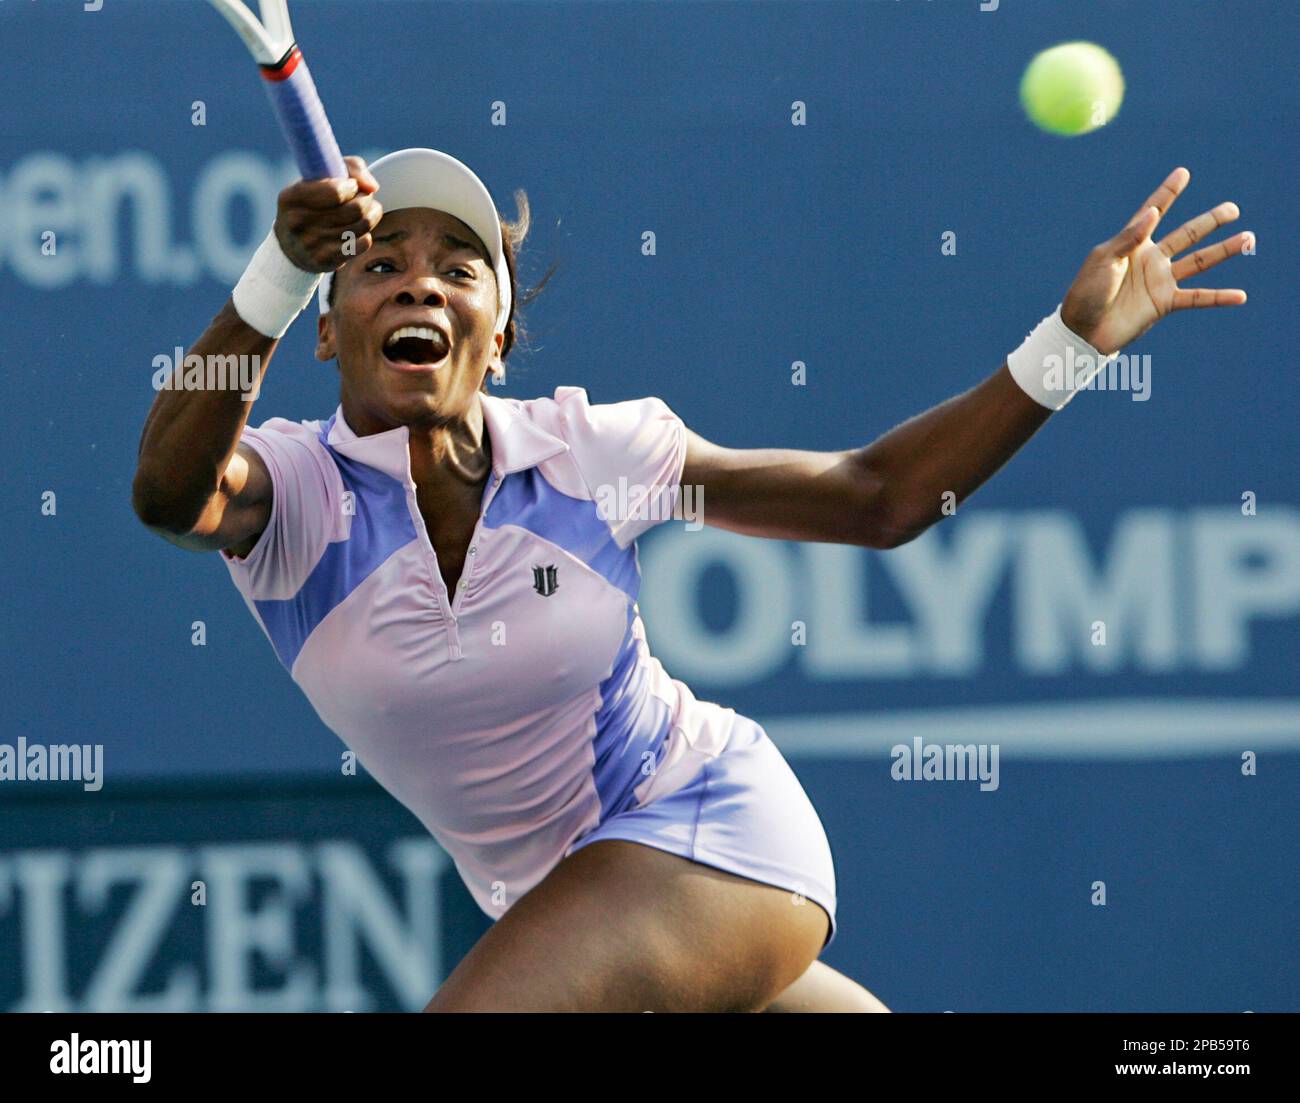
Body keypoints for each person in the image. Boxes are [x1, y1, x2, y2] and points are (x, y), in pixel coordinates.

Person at [132, 149, 1249, 1012]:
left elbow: (879, 497)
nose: (418, 282)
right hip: (578, 908)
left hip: (711, 825)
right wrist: (272, 278)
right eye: (379, 266)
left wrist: (1072, 342)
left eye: (458, 268)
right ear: (327, 332)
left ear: (499, 334)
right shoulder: (293, 491)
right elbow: (168, 493)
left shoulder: (594, 453)